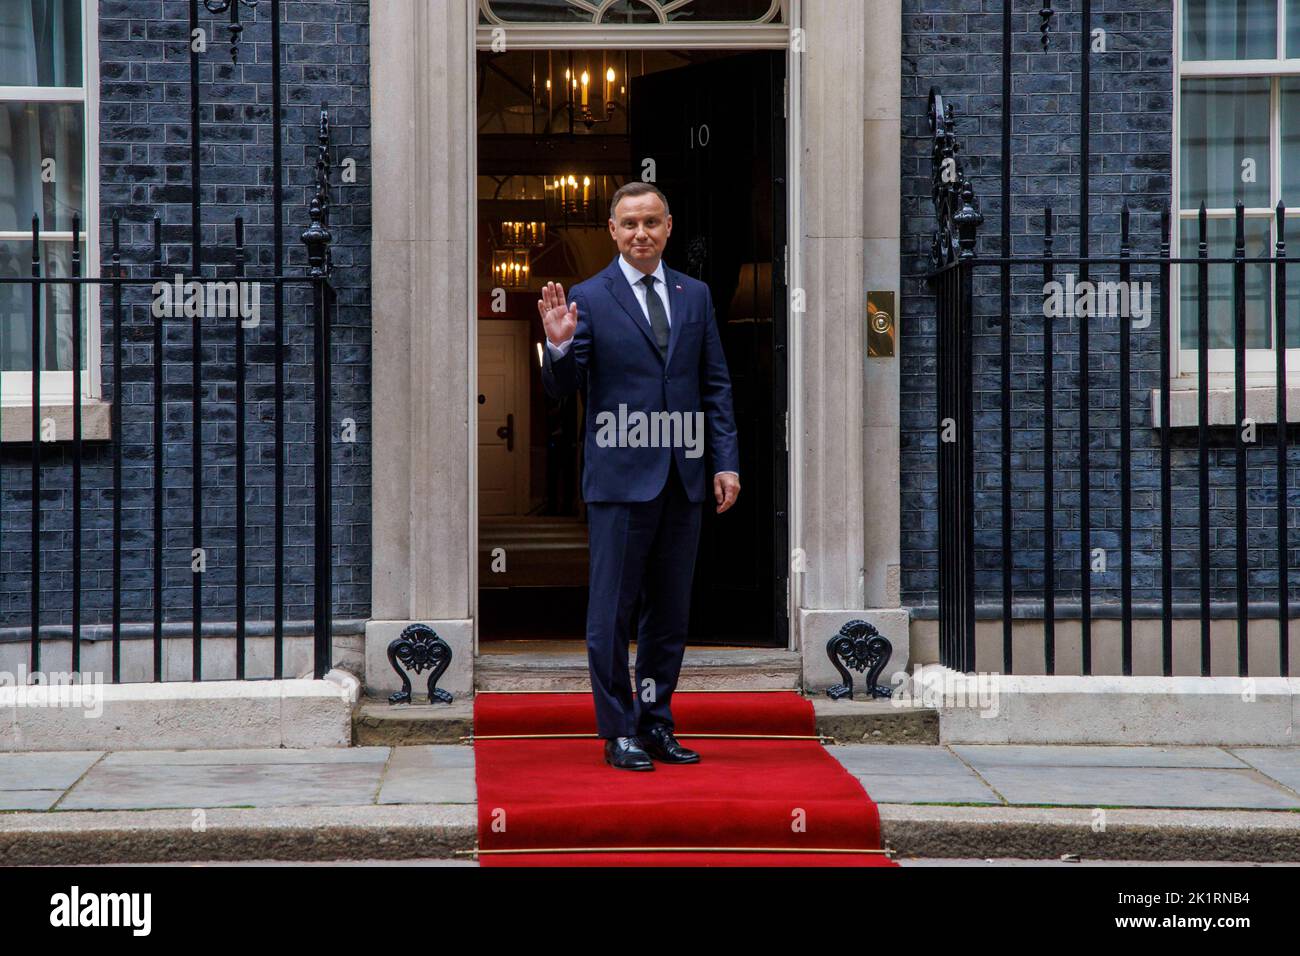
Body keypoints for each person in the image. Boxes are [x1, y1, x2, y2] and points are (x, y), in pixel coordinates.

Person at [539, 182, 741, 771]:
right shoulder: (588, 296)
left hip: (684, 476)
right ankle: (617, 729)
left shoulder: (696, 294)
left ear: (669, 227)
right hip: (620, 478)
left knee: (670, 613)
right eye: (629, 224)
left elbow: (715, 385)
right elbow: (562, 389)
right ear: (612, 230)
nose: (640, 233)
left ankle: (655, 722)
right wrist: (558, 348)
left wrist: (724, 460)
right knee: (612, 611)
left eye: (651, 222)